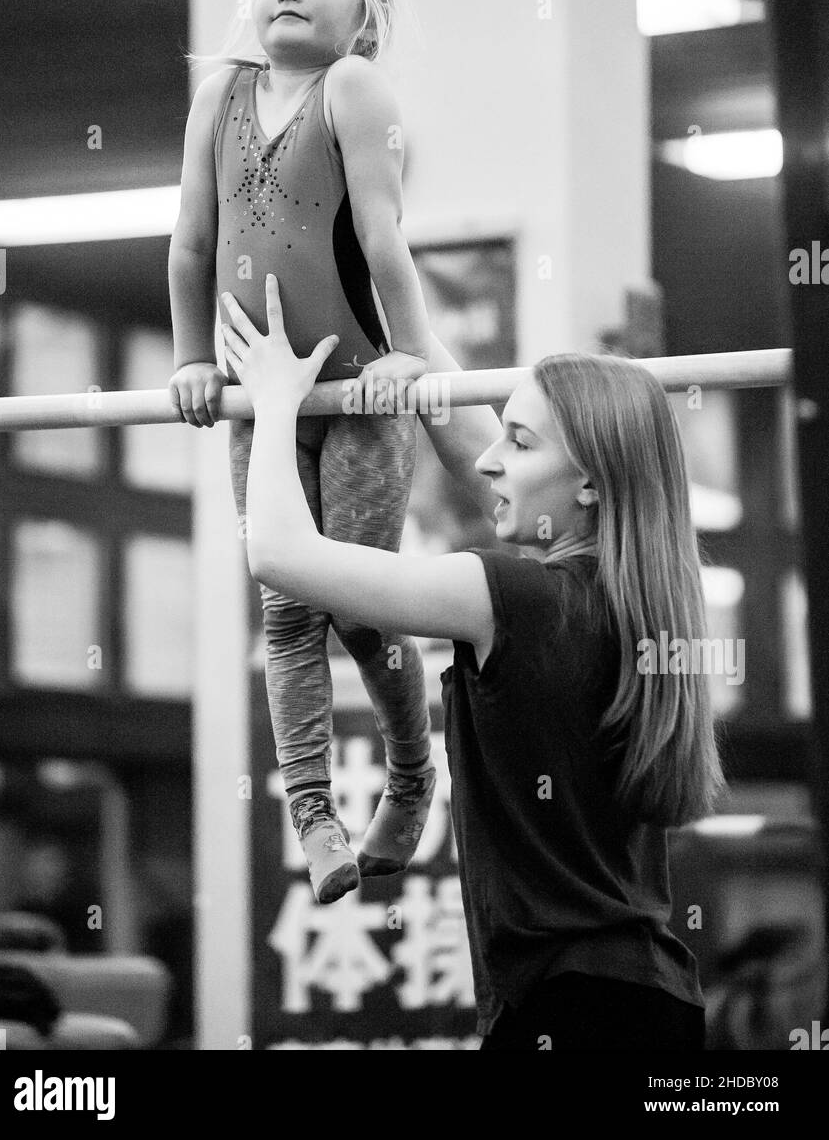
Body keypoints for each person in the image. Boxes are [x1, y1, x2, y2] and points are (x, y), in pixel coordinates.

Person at [219, 277, 727, 1052]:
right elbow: (471, 448)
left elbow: (280, 555)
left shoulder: (513, 598)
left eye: (519, 444)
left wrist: (274, 400)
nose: (489, 460)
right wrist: (386, 291)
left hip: (573, 1008)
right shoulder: (629, 602)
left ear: (587, 483)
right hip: (643, 997)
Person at [167, 0, 436, 906]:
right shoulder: (219, 93)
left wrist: (407, 353)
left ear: (364, 13)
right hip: (259, 393)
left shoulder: (352, 90)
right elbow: (190, 245)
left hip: (355, 385)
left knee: (362, 611)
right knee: (284, 612)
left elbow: (382, 233)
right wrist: (194, 357)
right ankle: (314, 815)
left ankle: (411, 780)